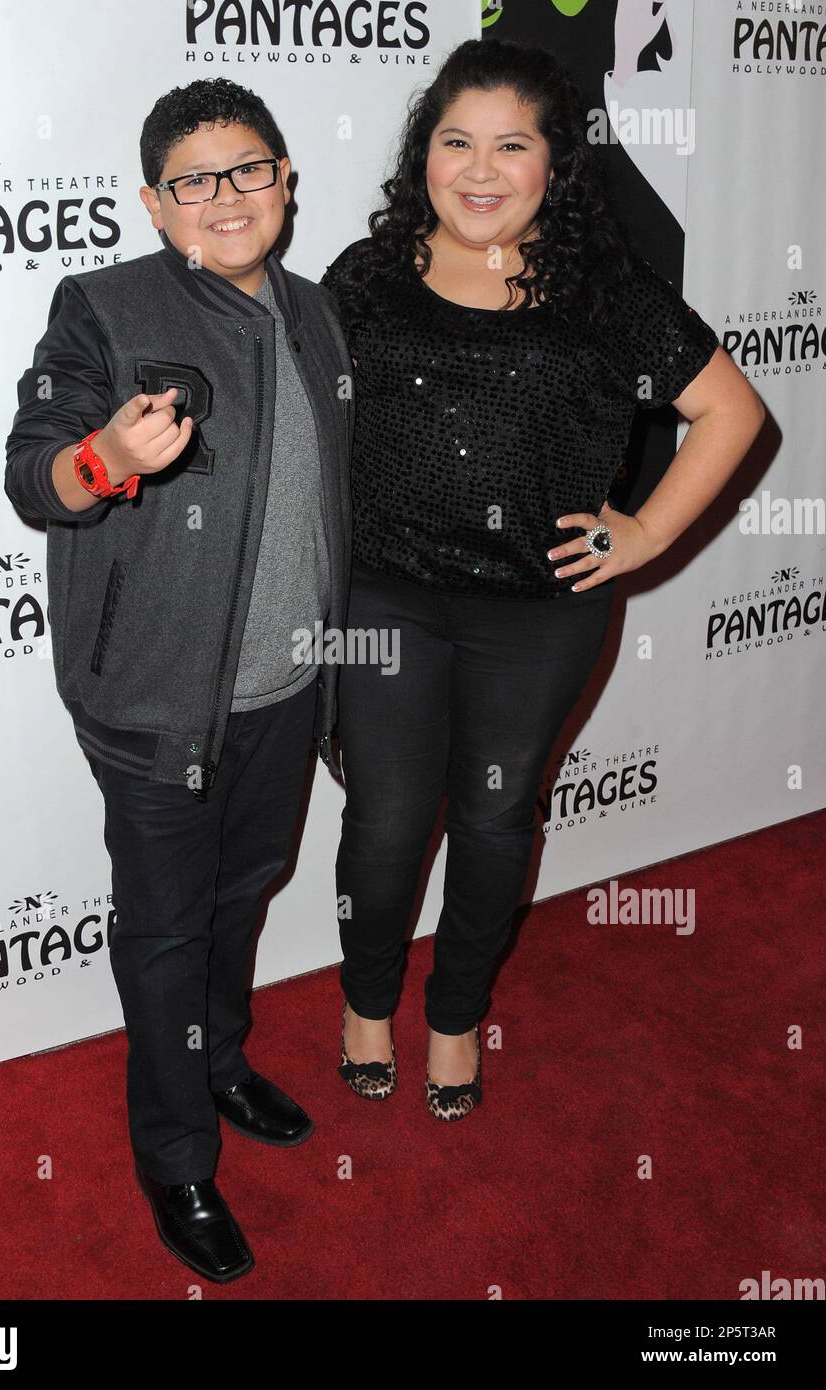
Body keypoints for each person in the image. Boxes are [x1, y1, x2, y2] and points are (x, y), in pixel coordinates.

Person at [320, 39, 764, 1122]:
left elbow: (733, 412)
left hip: (539, 612)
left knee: (491, 817)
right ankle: (368, 1003)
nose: (479, 168)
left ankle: (458, 1014)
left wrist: (647, 531)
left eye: (511, 146)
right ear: (422, 153)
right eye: (455, 141)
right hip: (385, 599)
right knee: (383, 820)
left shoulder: (604, 290)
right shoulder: (367, 278)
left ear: (553, 163)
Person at [5, 78, 353, 1280]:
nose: (226, 197)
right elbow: (32, 468)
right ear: (156, 203)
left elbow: (329, 510)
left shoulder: (317, 316)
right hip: (155, 702)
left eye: (248, 169)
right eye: (194, 179)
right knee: (163, 932)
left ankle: (220, 1060)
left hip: (286, 690)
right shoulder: (102, 307)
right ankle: (177, 1158)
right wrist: (102, 458)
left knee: (245, 890)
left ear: (288, 181)